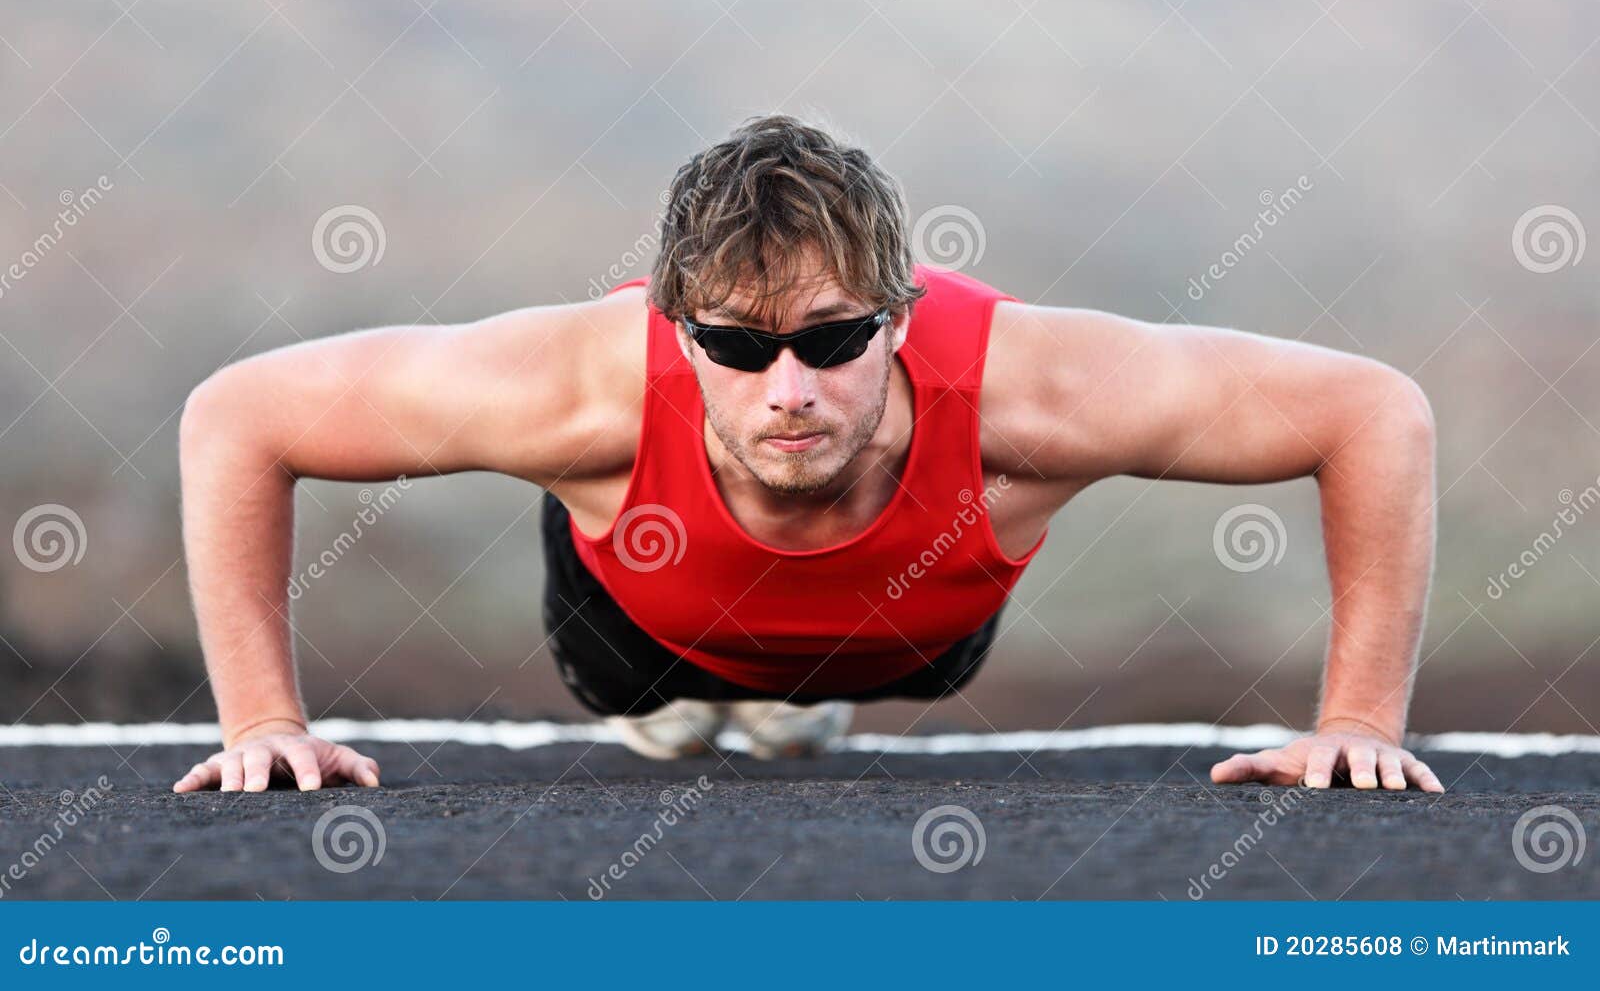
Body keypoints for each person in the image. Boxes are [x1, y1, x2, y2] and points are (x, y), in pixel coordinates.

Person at [172, 114, 1444, 794]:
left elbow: (1369, 413)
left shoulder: (1029, 390)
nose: (789, 390)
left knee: (910, 663)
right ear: (674, 328)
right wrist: (263, 723)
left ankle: (794, 698)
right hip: (639, 620)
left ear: (898, 315)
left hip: (910, 638)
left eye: (835, 338)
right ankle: (693, 696)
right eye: (736, 347)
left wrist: (1356, 723)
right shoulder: (581, 385)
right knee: (628, 694)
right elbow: (240, 415)